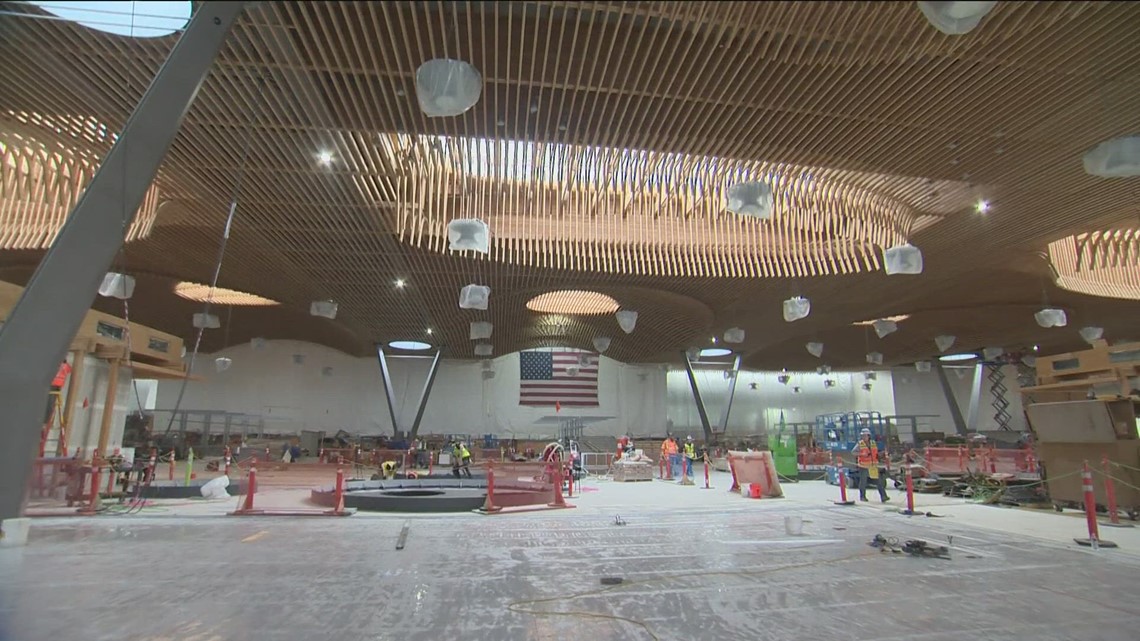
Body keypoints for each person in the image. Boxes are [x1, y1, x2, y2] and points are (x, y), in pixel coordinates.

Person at [852, 428, 889, 503]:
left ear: (869, 436)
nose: (864, 437)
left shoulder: (873, 443)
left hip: (873, 466)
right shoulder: (860, 444)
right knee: (863, 482)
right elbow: (853, 452)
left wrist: (880, 454)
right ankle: (862, 496)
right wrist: (862, 454)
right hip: (864, 466)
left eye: (865, 436)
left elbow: (875, 453)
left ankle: (883, 496)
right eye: (863, 436)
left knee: (879, 481)